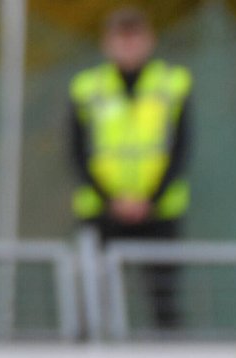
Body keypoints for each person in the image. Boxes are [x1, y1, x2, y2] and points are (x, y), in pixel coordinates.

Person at [70, 7, 190, 331]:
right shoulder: (86, 88)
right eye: (121, 38)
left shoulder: (173, 84)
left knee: (163, 299)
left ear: (149, 40)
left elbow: (181, 150)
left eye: (135, 37)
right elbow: (78, 153)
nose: (128, 46)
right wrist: (113, 200)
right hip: (102, 211)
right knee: (94, 302)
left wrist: (149, 198)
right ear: (106, 43)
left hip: (159, 210)